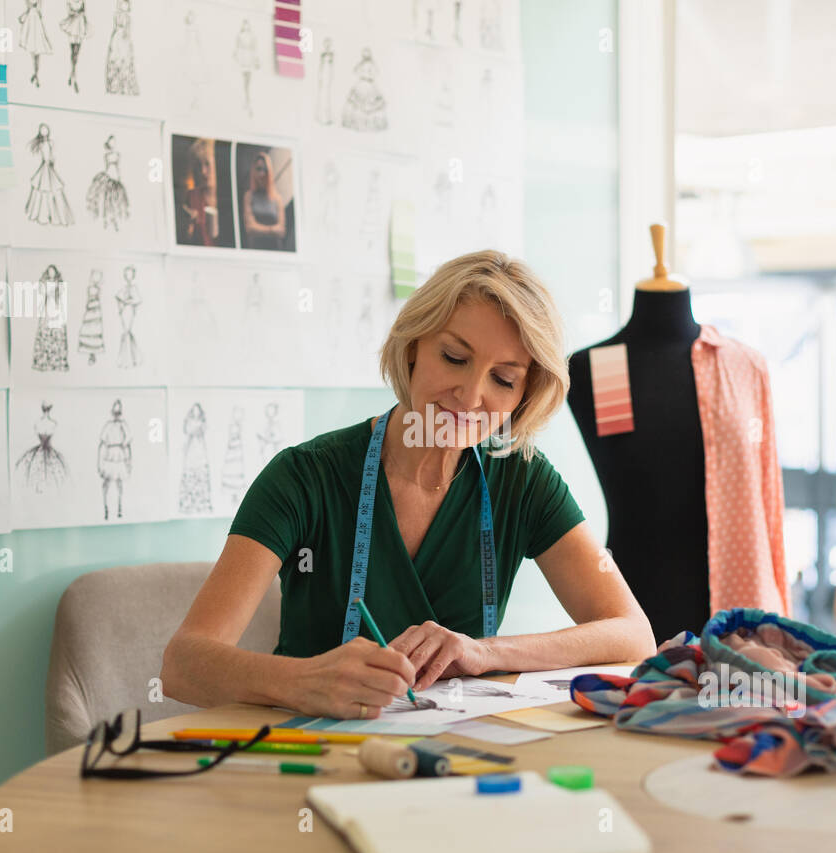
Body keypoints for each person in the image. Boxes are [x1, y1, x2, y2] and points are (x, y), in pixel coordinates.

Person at [161, 250, 656, 720]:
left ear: (523, 398)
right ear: (414, 345)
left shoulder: (522, 480)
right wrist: (304, 681)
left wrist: (482, 652)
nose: (470, 395)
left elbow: (633, 635)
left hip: (451, 755)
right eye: (455, 357)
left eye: (503, 380)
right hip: (307, 755)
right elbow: (183, 665)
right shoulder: (305, 477)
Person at [241, 152, 287, 251]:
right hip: (256, 250)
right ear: (253, 171)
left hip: (275, 250)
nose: (262, 174)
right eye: (258, 169)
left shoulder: (277, 198)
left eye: (265, 170)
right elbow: (250, 228)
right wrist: (272, 230)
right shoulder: (249, 197)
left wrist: (259, 229)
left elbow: (281, 230)